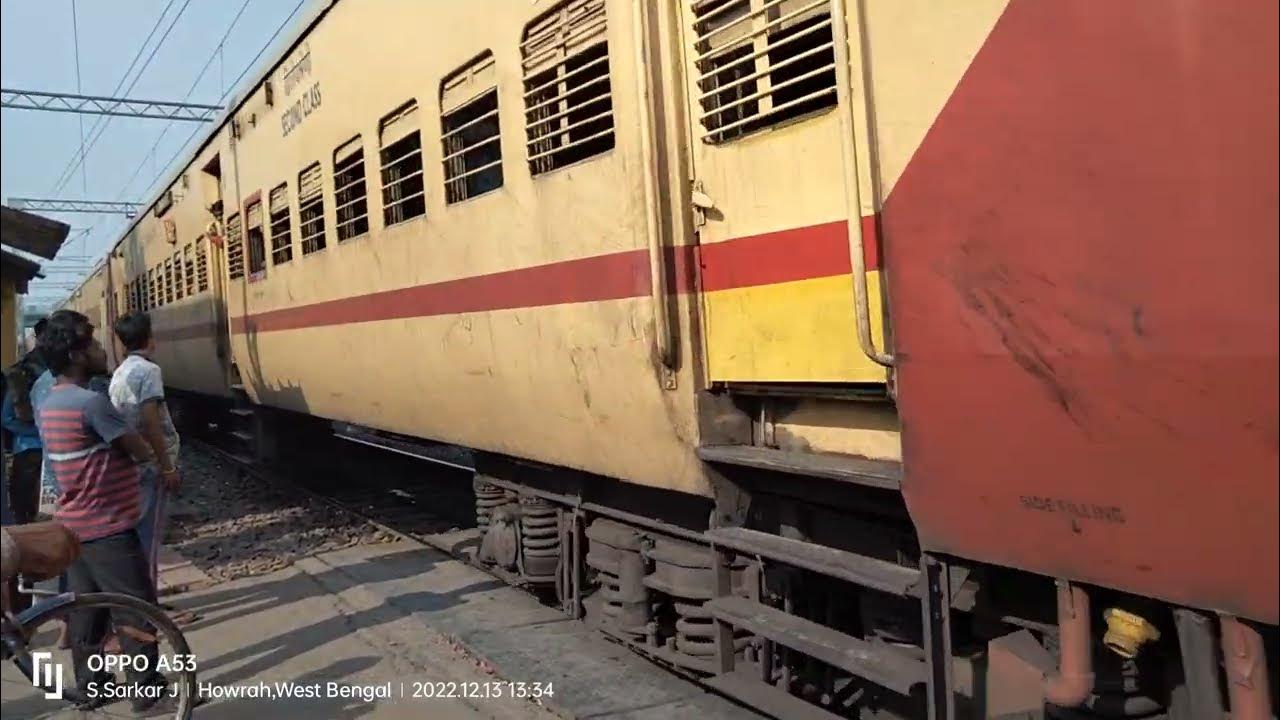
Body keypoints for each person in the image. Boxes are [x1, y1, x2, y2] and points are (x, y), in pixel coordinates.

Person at [35, 309, 168, 710]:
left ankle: (94, 688)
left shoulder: (49, 402)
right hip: (108, 526)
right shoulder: (92, 403)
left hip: (72, 526)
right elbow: (140, 449)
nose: (99, 349)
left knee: (86, 615)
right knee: (135, 611)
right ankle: (147, 693)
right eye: (91, 343)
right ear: (77, 354)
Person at [109, 312, 181, 593]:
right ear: (149, 338)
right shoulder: (149, 371)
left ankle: (136, 598)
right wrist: (167, 467)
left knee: (136, 533)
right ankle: (149, 603)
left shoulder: (121, 372)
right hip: (149, 463)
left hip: (130, 461)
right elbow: (151, 421)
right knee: (149, 537)